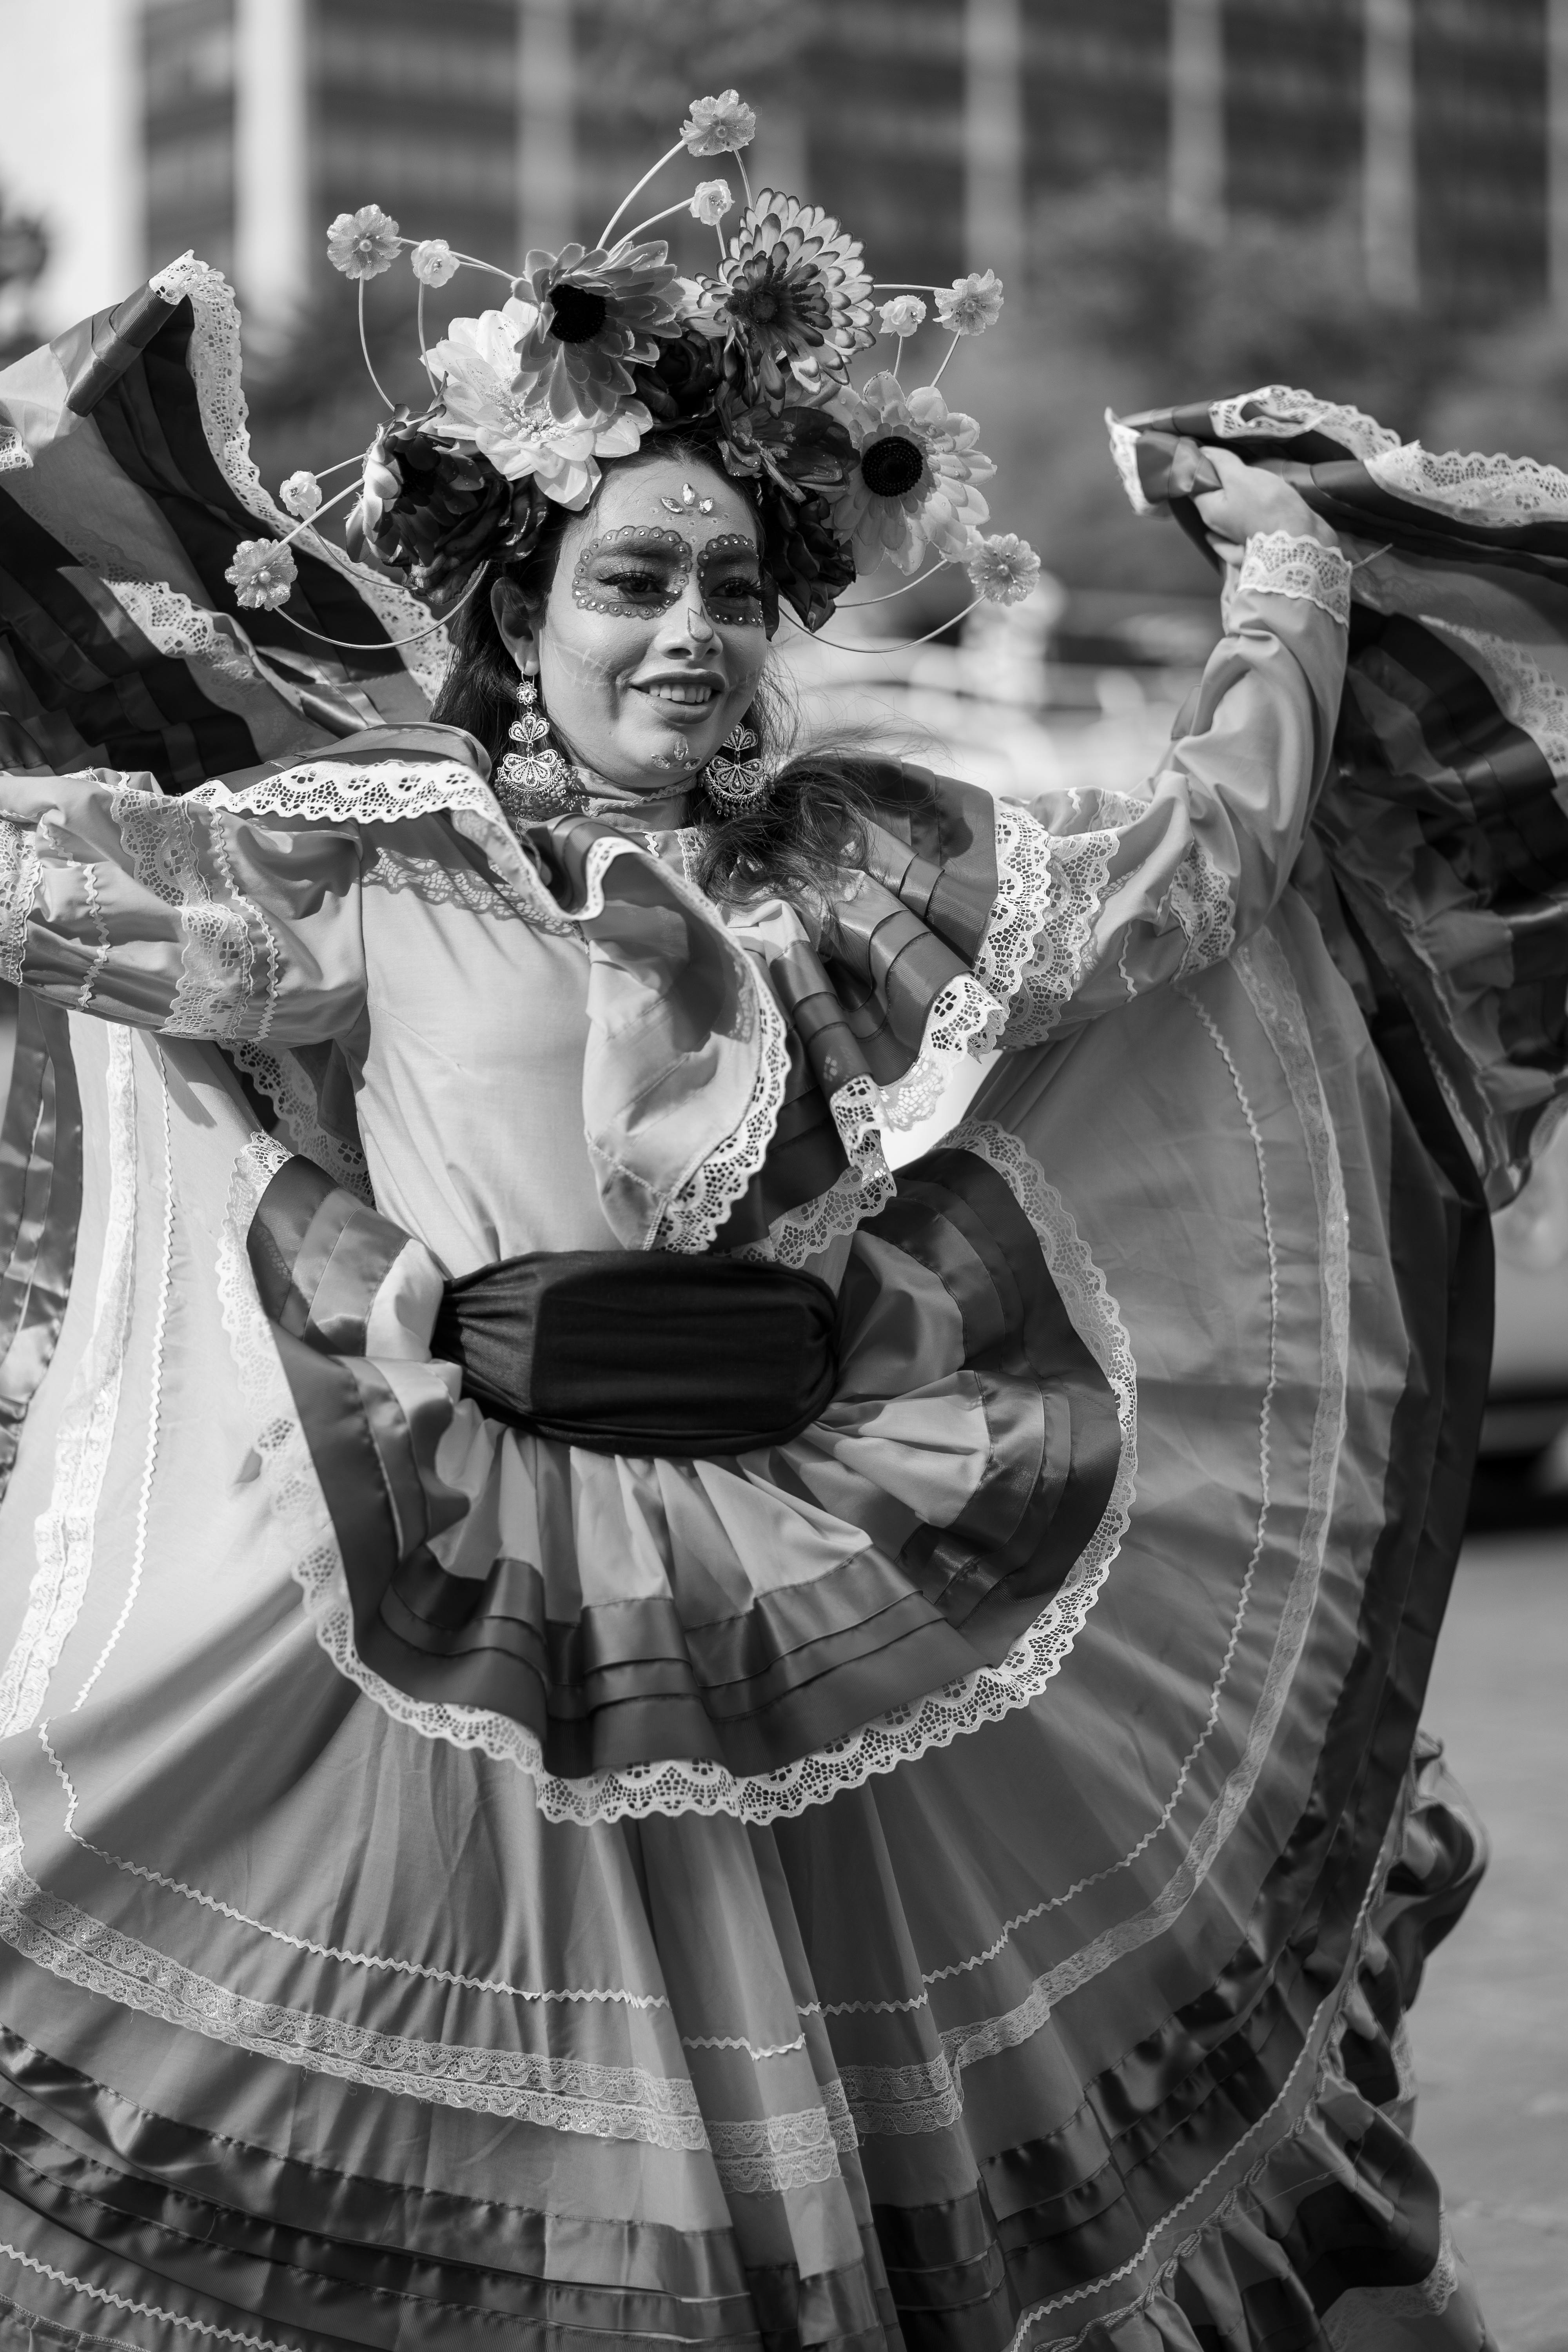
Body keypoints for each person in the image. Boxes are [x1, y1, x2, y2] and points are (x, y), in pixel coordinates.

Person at [0, 118, 1549, 2352]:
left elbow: (1199, 867)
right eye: (634, 583)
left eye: (735, 588)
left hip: (827, 1578)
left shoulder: (870, 864)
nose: (695, 636)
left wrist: (1291, 593)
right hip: (455, 1588)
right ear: (521, 618)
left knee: (822, 2181)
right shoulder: (357, 868)